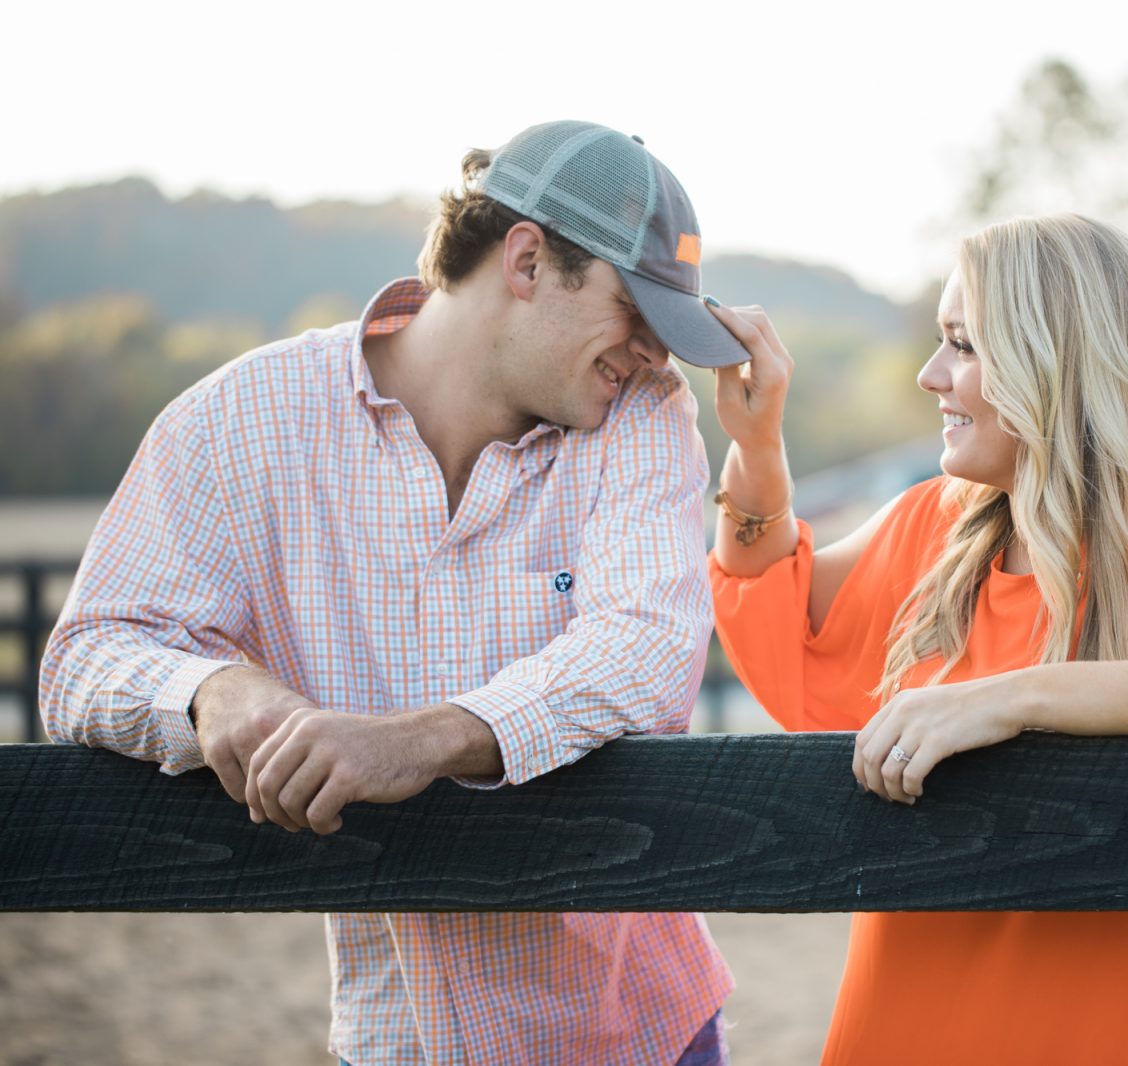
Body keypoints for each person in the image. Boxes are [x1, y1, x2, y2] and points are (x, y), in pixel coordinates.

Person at [40, 120, 749, 1066]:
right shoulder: (244, 421)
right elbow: (87, 654)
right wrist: (214, 692)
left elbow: (649, 651)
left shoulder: (641, 421)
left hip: (638, 1035)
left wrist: (422, 740)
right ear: (529, 260)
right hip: (390, 1037)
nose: (655, 358)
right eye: (636, 315)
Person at [704, 214, 1128, 1065]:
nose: (929, 374)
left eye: (963, 345)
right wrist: (756, 445)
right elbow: (774, 602)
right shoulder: (935, 527)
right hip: (908, 1031)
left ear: (1054, 359)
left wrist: (1016, 700)